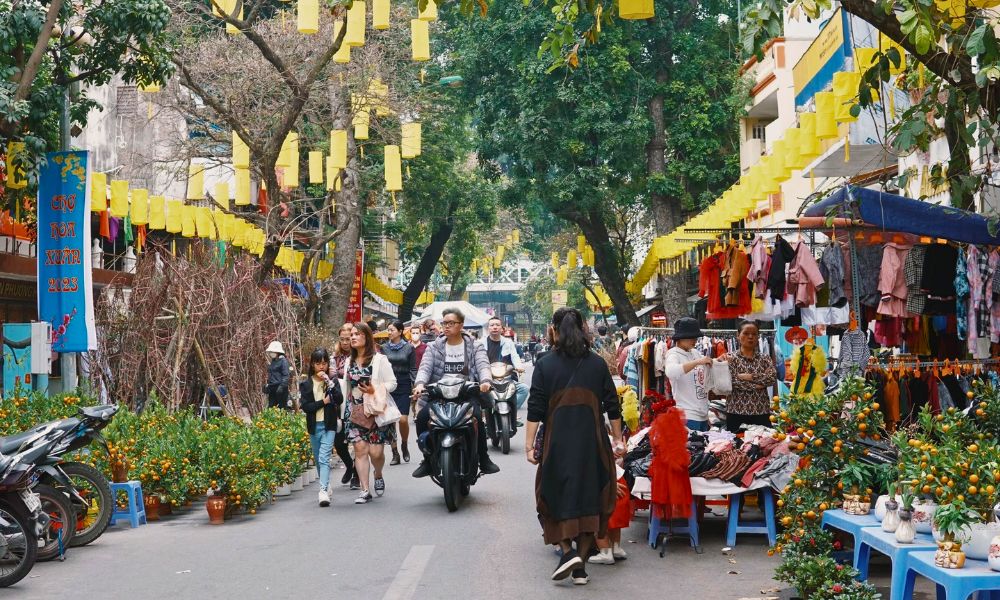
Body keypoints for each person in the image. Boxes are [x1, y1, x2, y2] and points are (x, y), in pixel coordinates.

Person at [524, 307, 623, 586]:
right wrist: (617, 439)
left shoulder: (544, 364)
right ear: (583, 330)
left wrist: (529, 446)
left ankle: (567, 552)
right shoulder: (596, 363)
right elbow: (612, 406)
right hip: (592, 443)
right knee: (593, 495)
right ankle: (579, 567)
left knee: (553, 493)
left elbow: (535, 408)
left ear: (553, 330)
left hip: (557, 443)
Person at [411, 307, 500, 477]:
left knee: (476, 419)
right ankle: (427, 459)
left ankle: (484, 458)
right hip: (439, 394)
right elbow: (425, 368)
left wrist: (486, 381)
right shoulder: (433, 347)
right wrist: (420, 384)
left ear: (461, 325)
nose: (446, 326)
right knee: (422, 418)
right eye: (444, 323)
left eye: (451, 323)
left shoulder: (475, 346)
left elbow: (483, 365)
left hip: (466, 394)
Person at [339, 323, 397, 504]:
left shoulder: (380, 360)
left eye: (357, 334)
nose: (352, 337)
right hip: (355, 411)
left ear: (367, 337)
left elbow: (392, 383)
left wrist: (375, 389)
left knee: (376, 452)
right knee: (360, 450)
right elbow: (347, 387)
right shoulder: (349, 361)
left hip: (374, 410)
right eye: (351, 335)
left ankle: (378, 473)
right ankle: (365, 490)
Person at [299, 348, 343, 507]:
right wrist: (323, 403)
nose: (321, 367)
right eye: (318, 363)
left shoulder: (331, 381)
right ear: (312, 364)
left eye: (324, 363)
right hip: (313, 426)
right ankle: (326, 484)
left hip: (329, 425)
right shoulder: (306, 384)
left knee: (324, 457)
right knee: (318, 459)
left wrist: (330, 383)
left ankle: (323, 490)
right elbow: (306, 407)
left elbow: (339, 399)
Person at [726, 321, 778, 434]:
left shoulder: (764, 358)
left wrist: (749, 376)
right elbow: (733, 381)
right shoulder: (731, 358)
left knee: (761, 446)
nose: (750, 337)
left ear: (758, 336)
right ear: (738, 335)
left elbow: (772, 378)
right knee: (735, 446)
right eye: (746, 333)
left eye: (754, 334)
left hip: (761, 411)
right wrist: (759, 384)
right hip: (736, 411)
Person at [663, 317, 714, 431]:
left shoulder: (695, 352)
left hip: (703, 414)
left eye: (695, 337)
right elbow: (670, 372)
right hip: (687, 414)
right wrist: (697, 362)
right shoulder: (673, 354)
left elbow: (707, 365)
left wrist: (718, 360)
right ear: (680, 338)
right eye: (691, 337)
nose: (695, 340)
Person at [382, 320, 417, 465]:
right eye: (388, 330)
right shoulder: (383, 348)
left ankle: (404, 444)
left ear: (400, 331)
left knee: (403, 419)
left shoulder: (409, 348)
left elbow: (413, 369)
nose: (389, 332)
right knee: (390, 420)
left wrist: (415, 386)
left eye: (392, 330)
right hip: (388, 386)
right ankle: (395, 452)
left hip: (403, 384)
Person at [330, 323, 358, 489]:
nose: (346, 342)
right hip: (340, 404)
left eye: (348, 339)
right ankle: (349, 465)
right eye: (342, 339)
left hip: (356, 401)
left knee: (357, 441)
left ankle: (356, 474)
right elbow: (332, 373)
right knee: (339, 441)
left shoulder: (359, 356)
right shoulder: (335, 357)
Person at [485, 317, 529, 417]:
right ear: (488, 328)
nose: (495, 327)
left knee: (524, 389)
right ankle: (485, 415)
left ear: (502, 328)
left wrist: (519, 367)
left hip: (507, 378)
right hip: (488, 379)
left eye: (497, 325)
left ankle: (512, 412)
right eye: (492, 325)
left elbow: (515, 356)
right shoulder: (481, 343)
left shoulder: (508, 343)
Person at [265, 341, 290, 410]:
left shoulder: (283, 361)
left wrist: (282, 386)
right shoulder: (273, 361)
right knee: (271, 408)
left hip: (280, 389)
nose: (271, 353)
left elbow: (286, 375)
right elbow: (272, 374)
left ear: (278, 352)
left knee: (281, 409)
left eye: (273, 351)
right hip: (272, 388)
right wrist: (267, 385)